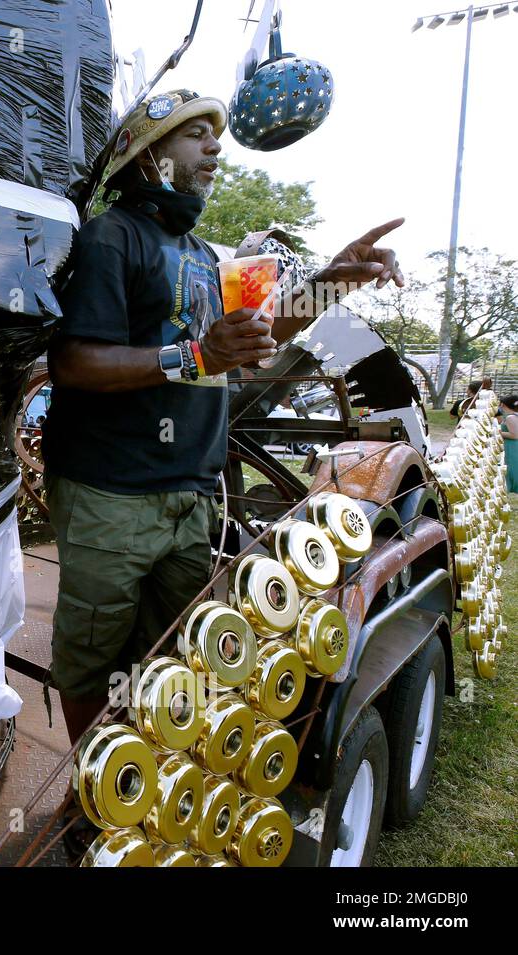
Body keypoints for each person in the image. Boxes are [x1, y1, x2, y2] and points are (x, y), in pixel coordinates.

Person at [42, 89, 406, 749]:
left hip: (189, 493)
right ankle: (91, 798)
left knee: (172, 650)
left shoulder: (210, 257)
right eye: (196, 134)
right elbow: (74, 363)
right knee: (92, 660)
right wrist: (197, 356)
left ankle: (146, 771)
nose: (216, 146)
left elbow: (260, 334)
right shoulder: (111, 237)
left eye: (218, 134)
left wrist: (335, 279)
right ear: (147, 155)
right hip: (109, 494)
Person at [499, 395, 518, 494]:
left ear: (504, 405)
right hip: (512, 445)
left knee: (510, 466)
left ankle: (509, 486)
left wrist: (498, 433)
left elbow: (514, 435)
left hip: (511, 446)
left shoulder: (511, 417)